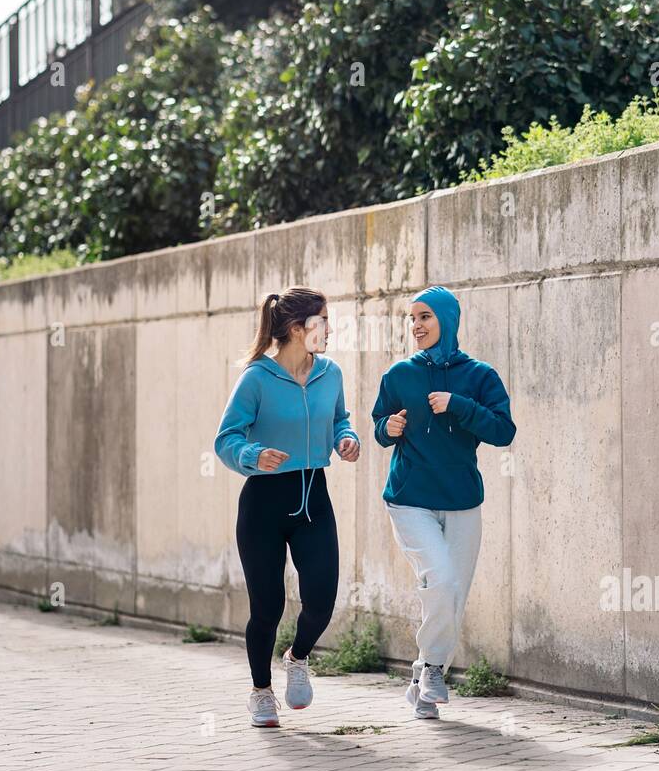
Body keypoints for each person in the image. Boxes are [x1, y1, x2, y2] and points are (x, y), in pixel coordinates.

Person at [215, 287, 360, 728]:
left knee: (322, 599)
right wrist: (252, 456)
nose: (330, 329)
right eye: (323, 321)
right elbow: (226, 438)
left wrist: (345, 439)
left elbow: (340, 418)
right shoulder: (256, 377)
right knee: (268, 606)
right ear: (298, 329)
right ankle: (261, 692)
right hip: (263, 503)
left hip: (314, 496)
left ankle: (297, 657)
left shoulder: (330, 373)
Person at [372, 285, 516, 720]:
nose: (415, 326)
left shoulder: (480, 376)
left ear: (447, 321)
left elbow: (503, 431)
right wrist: (388, 429)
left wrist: (460, 405)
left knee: (454, 596)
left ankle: (422, 676)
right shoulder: (399, 374)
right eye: (411, 318)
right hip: (410, 499)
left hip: (462, 500)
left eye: (425, 318)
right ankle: (434, 668)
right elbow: (379, 423)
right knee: (441, 582)